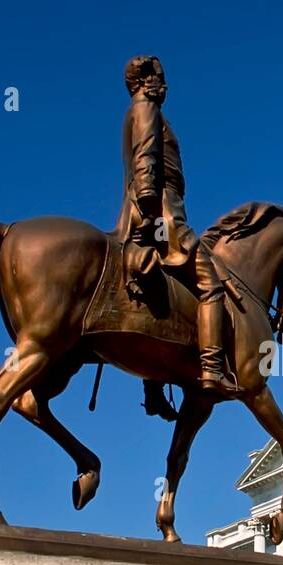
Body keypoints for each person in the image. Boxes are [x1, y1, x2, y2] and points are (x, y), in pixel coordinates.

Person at [120, 55, 237, 406]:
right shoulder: (145, 110)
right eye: (156, 77)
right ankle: (213, 369)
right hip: (163, 215)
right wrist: (149, 210)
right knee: (211, 285)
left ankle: (153, 387)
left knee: (164, 298)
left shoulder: (144, 112)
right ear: (140, 83)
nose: (163, 84)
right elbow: (146, 160)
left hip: (153, 213)